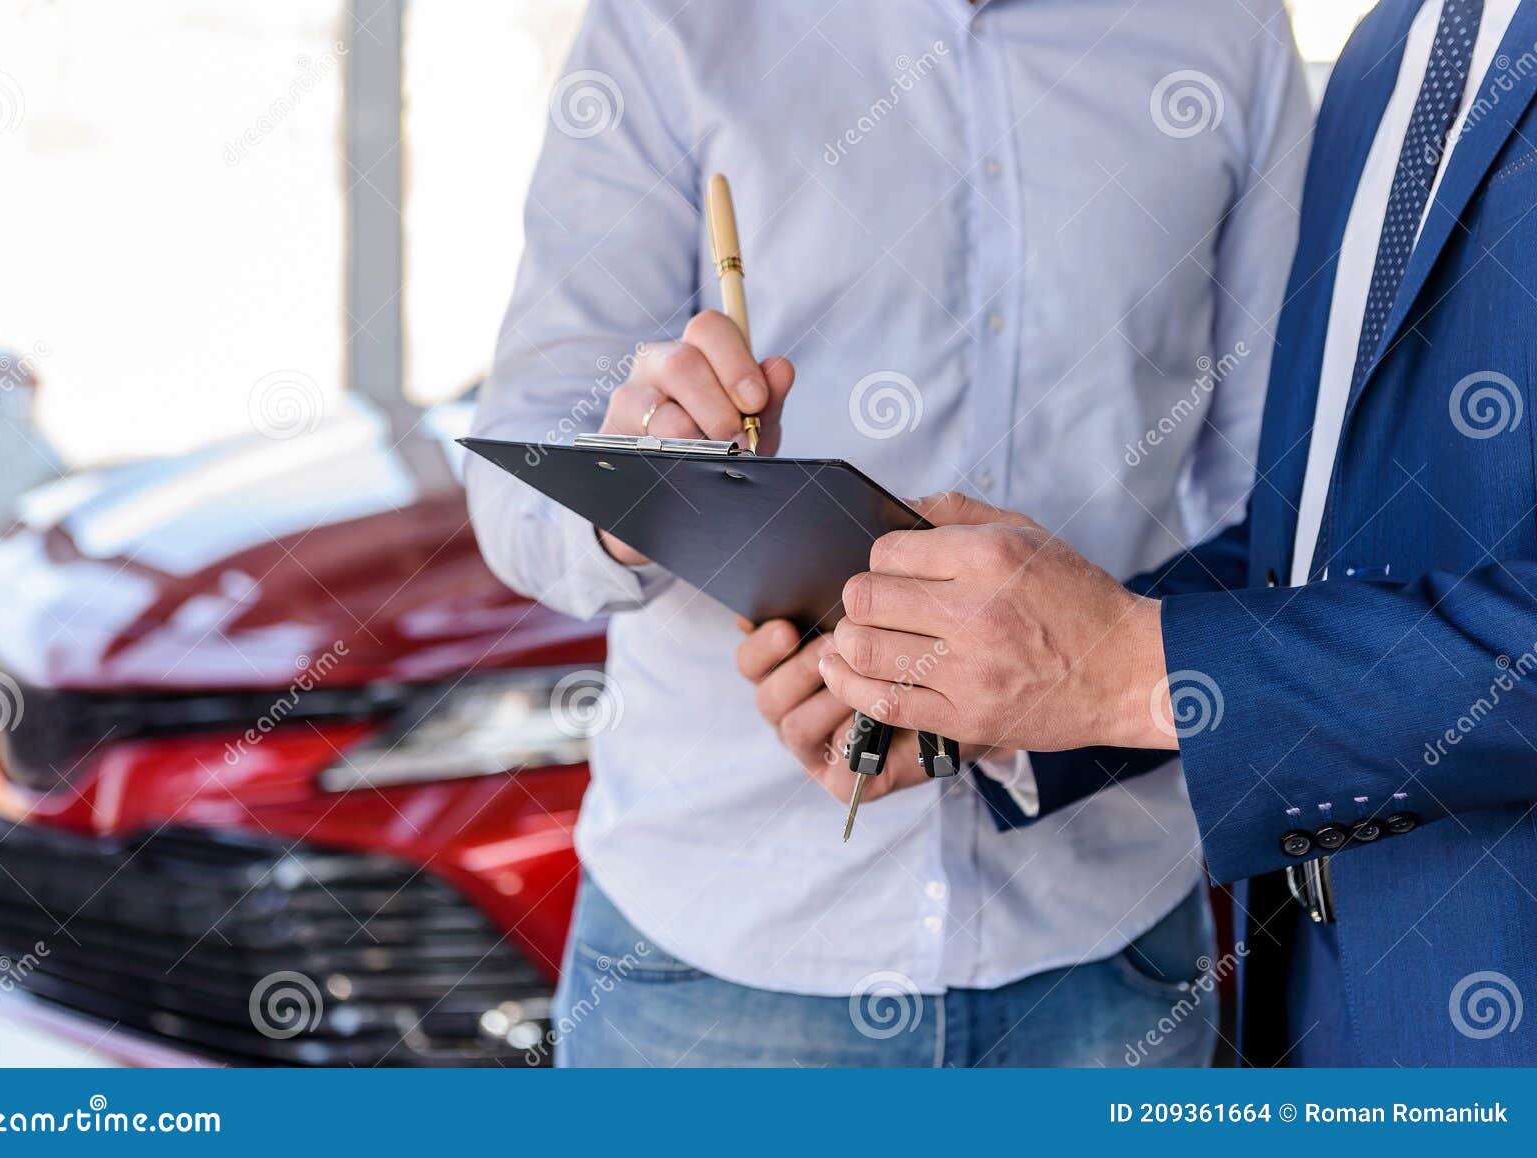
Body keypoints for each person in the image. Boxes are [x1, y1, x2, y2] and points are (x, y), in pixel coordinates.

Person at [468, 0, 1309, 1066]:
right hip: (719, 961)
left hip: (1109, 945)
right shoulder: (666, 23)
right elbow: (517, 474)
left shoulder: (1225, 31)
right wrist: (643, 479)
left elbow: (1276, 500)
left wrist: (1087, 696)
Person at [820, 0, 1537, 1066]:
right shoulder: (1385, 56)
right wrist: (1013, 682)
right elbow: (1312, 547)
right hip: (1323, 1004)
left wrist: (1125, 665)